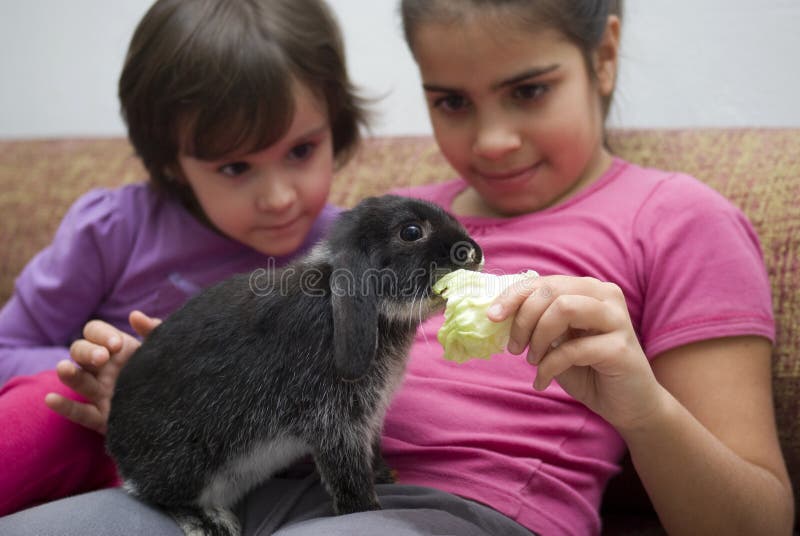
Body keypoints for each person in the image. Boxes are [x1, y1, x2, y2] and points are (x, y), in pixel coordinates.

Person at [2, 0, 795, 535]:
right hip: (261, 487)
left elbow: (759, 520)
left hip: (446, 511)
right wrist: (167, 385)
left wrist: (643, 406)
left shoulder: (678, 217)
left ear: (605, 53)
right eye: (450, 101)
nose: (491, 141)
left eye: (528, 90)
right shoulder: (378, 216)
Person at [0, 0, 367, 516]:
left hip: (222, 476)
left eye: (301, 151)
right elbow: (7, 347)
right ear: (174, 162)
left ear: (336, 124)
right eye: (236, 167)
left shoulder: (347, 257)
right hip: (91, 443)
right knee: (47, 405)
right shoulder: (115, 230)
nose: (280, 197)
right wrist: (110, 375)